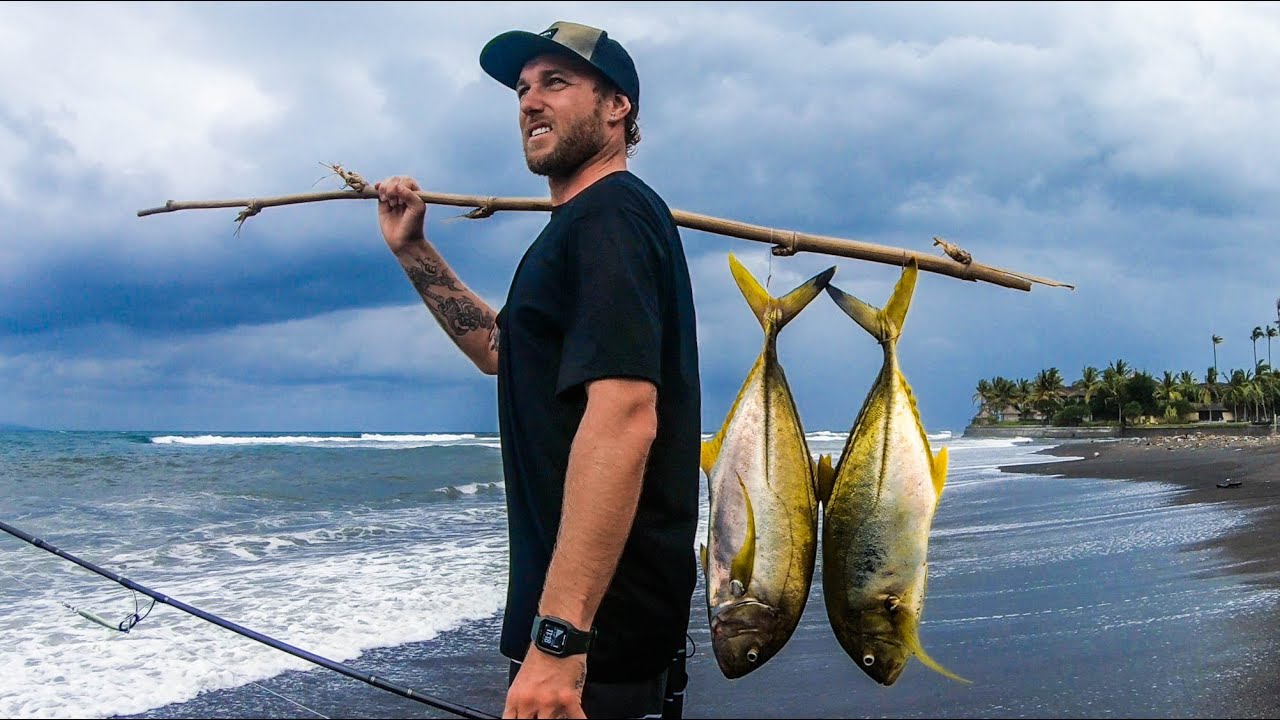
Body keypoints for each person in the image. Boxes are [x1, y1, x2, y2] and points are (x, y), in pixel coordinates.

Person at [374, 20, 701, 720]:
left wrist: (558, 640)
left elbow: (624, 421)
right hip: (592, 634)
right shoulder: (581, 228)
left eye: (556, 83)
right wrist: (414, 252)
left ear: (618, 107)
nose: (528, 102)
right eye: (523, 90)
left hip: (594, 640)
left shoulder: (610, 217)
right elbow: (500, 351)